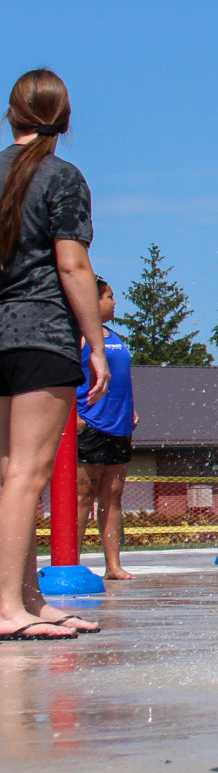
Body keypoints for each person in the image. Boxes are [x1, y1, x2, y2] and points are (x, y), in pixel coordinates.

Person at [0, 69, 109, 641]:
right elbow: (72, 265)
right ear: (64, 120)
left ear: (11, 114)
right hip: (40, 334)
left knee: (7, 473)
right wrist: (96, 344)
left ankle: (27, 597)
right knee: (28, 472)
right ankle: (6, 609)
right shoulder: (62, 177)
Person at [76, 276, 137, 581]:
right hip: (92, 425)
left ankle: (112, 565)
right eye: (109, 297)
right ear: (92, 300)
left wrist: (131, 409)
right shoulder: (80, 336)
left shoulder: (113, 335)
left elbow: (121, 377)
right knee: (83, 498)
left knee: (113, 497)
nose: (114, 302)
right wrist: (75, 416)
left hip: (119, 426)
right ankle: (69, 562)